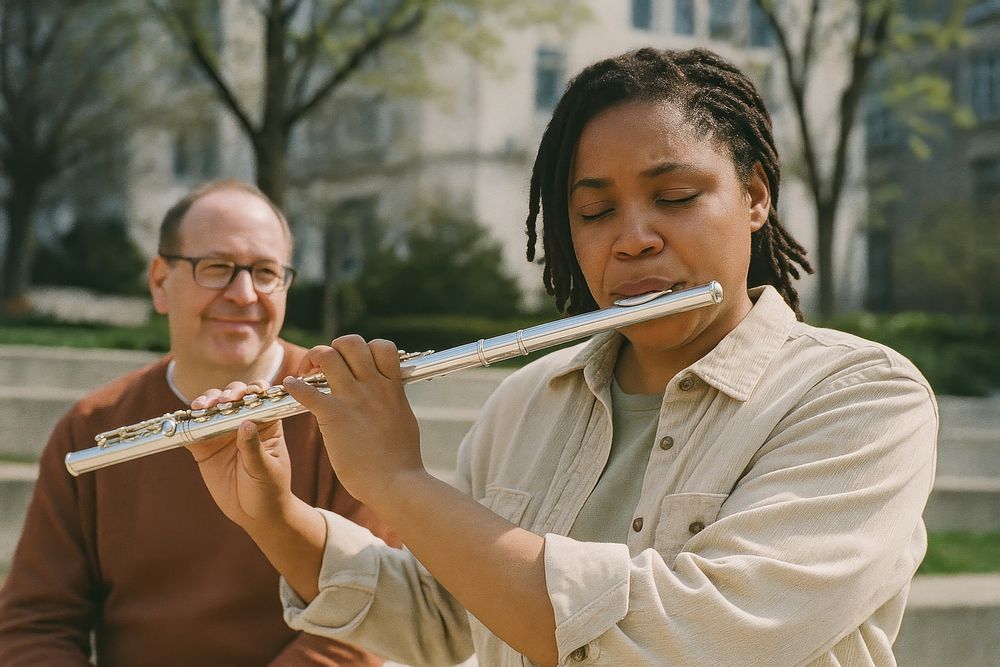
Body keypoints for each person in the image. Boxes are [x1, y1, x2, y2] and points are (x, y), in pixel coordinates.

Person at [185, 49, 937, 666]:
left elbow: (680, 637)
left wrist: (398, 480)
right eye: (595, 211)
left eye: (674, 196)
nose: (633, 236)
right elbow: (453, 616)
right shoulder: (529, 397)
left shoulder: (861, 399)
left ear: (754, 195)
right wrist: (276, 516)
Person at [0, 180, 393, 665]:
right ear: (161, 282)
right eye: (217, 269)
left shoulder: (342, 415)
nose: (244, 294)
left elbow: (365, 624)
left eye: (267, 272)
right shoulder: (91, 425)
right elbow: (37, 623)